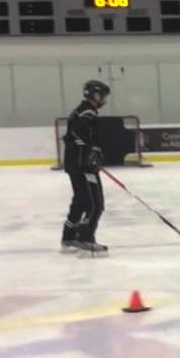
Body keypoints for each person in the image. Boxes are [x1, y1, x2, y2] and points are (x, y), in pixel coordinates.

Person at [60, 79, 111, 256]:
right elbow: (77, 135)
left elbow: (75, 136)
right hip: (83, 166)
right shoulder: (87, 113)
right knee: (95, 203)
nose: (103, 99)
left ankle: (69, 238)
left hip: (75, 164)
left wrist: (91, 151)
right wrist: (92, 153)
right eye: (101, 95)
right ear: (93, 94)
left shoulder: (81, 111)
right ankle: (85, 239)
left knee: (81, 200)